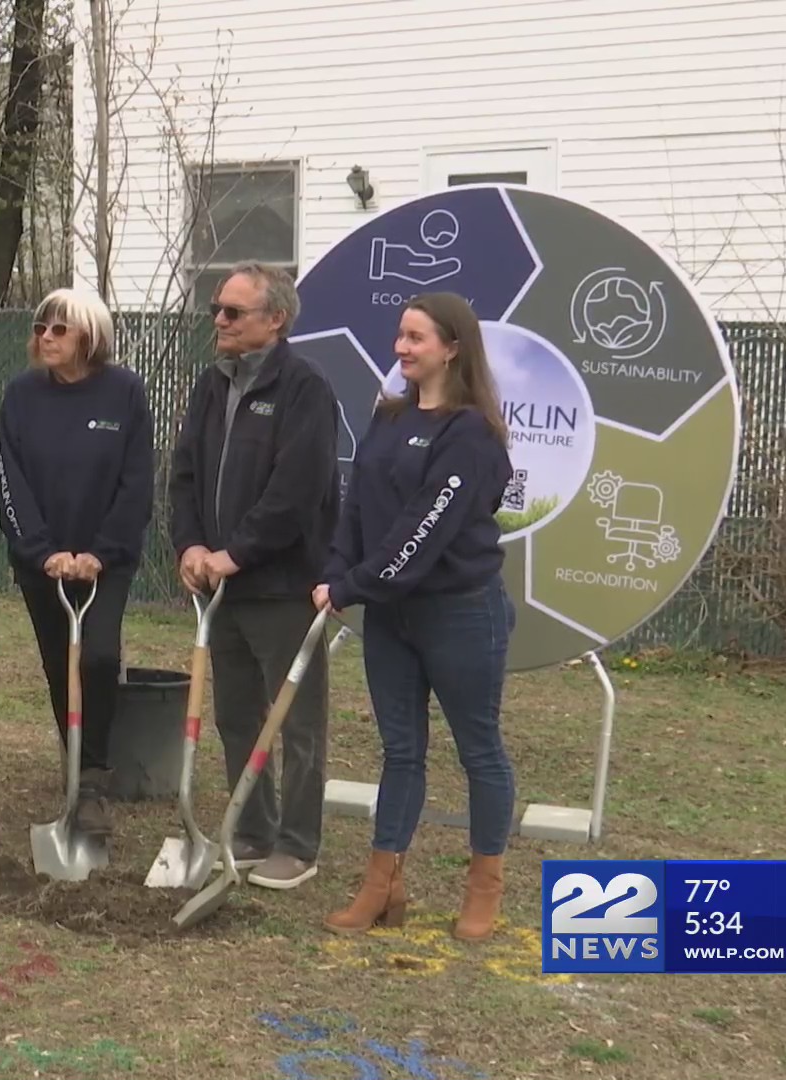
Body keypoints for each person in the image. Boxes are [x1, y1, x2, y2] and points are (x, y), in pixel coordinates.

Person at [316, 293, 517, 942]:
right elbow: (358, 505)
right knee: (401, 751)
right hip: (392, 619)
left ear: (452, 347)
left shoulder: (472, 435)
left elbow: (421, 532)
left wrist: (355, 584)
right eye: (399, 336)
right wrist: (337, 568)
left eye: (416, 338)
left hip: (459, 615)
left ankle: (484, 884)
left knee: (478, 750)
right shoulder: (389, 415)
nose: (401, 348)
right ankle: (383, 884)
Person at [167, 261, 340, 890]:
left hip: (282, 586)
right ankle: (252, 827)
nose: (219, 320)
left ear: (276, 320)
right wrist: (190, 544)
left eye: (234, 313)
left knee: (297, 723)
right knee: (237, 715)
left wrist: (234, 554)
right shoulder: (211, 385)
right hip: (220, 588)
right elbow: (183, 473)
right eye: (217, 309)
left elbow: (296, 491)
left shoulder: (305, 389)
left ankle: (297, 843)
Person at [0, 288, 154, 837]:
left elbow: (136, 484)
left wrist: (99, 554)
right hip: (43, 563)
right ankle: (78, 764)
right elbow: (9, 480)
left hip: (103, 563)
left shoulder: (124, 392)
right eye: (41, 327)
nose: (46, 338)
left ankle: (94, 774)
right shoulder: (21, 395)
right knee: (59, 662)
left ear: (90, 335)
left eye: (59, 329)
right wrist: (42, 553)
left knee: (99, 657)